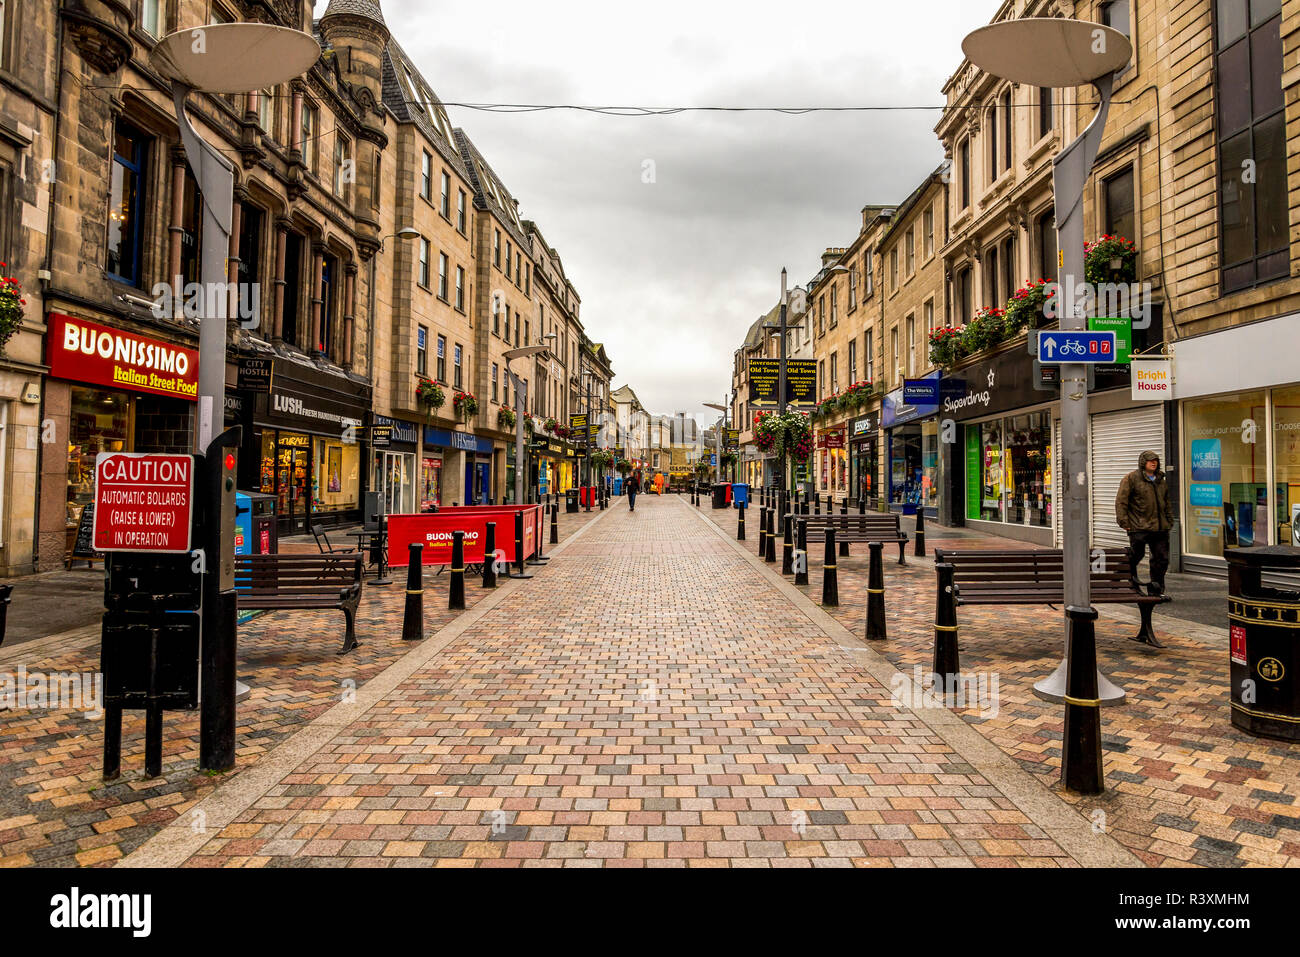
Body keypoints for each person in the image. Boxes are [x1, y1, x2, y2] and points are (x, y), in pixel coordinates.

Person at [1116, 450, 1174, 602]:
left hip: (1160, 528)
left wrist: (1169, 521)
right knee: (1136, 556)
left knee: (1161, 559)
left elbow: (1167, 502)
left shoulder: (1161, 480)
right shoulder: (1131, 479)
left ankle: (1157, 591)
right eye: (1150, 461)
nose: (1153, 463)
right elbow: (1121, 502)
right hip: (1138, 527)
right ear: (1143, 463)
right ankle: (1124, 580)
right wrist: (1124, 523)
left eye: (1155, 460)